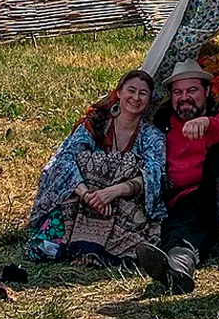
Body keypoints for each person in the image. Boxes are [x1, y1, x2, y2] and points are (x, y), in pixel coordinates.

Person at [135, 60, 219, 294]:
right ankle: (177, 268)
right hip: (188, 203)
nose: (184, 97)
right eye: (177, 92)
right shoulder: (162, 126)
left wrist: (207, 123)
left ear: (207, 91)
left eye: (192, 90)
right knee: (181, 230)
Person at [27, 70, 165, 265]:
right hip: (84, 197)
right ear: (118, 93)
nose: (135, 98)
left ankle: (94, 249)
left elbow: (155, 173)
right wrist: (88, 195)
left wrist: (113, 192)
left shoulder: (151, 136)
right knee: (87, 163)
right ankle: (79, 246)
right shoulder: (95, 125)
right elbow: (64, 159)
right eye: (131, 91)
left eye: (142, 93)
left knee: (130, 170)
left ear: (149, 99)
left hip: (122, 202)